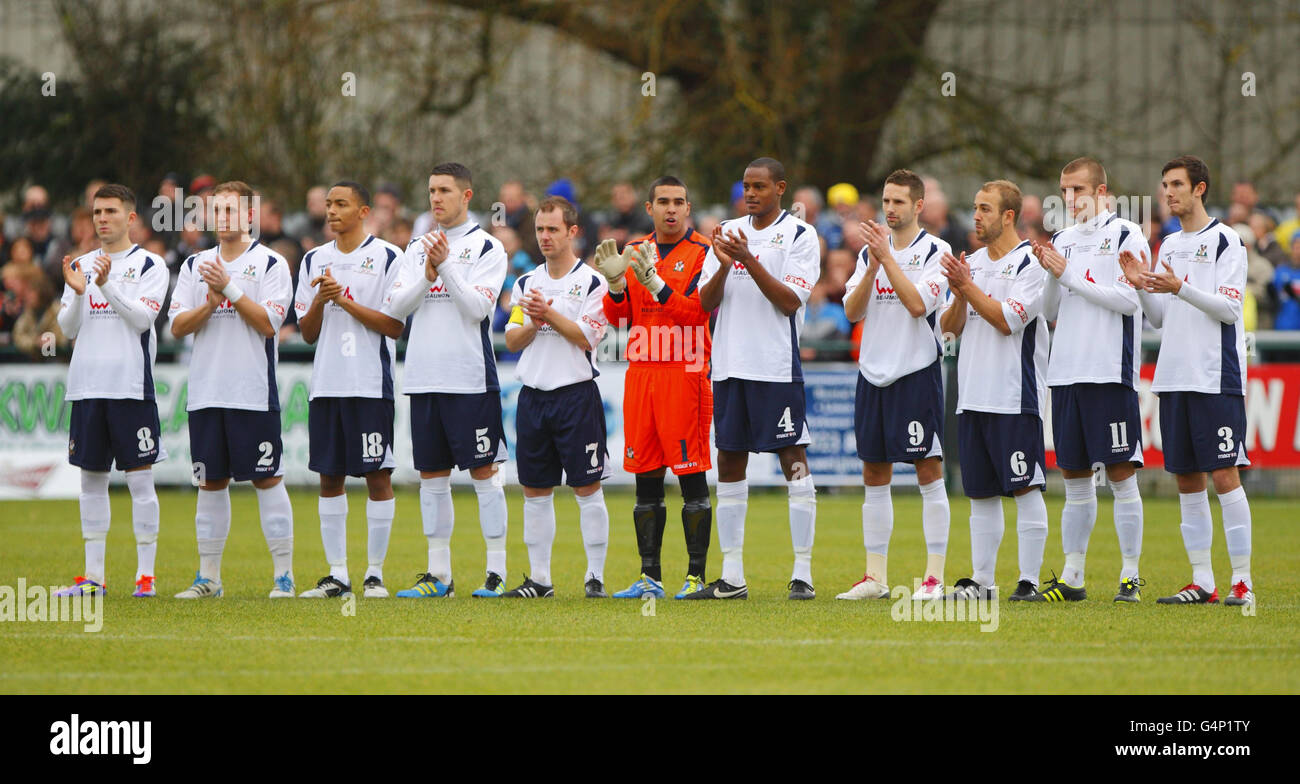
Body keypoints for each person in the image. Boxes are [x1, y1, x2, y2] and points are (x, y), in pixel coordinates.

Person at [1119, 155, 1254, 607]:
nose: (1168, 193)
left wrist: (1179, 288)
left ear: (1199, 189)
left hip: (1215, 376)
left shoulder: (1226, 241)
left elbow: (1229, 309)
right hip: (1173, 376)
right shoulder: (1170, 245)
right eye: (1164, 185)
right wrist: (1139, 283)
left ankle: (1241, 580)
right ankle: (1202, 581)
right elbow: (1159, 319)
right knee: (1186, 480)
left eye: (1177, 184)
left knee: (1224, 475)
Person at [379, 163, 511, 599]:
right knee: (431, 476)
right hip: (423, 377)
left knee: (483, 473)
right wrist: (427, 274)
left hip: (470, 378)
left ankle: (495, 572)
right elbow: (395, 307)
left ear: (467, 196)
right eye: (431, 190)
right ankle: (439, 575)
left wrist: (447, 268)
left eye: (445, 191)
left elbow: (477, 310)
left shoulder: (488, 247)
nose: (436, 198)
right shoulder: (415, 247)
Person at [692, 157, 821, 600]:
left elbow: (789, 301)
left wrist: (750, 259)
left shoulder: (800, 235)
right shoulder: (726, 232)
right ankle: (732, 577)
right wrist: (726, 262)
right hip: (729, 366)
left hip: (774, 367)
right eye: (746, 186)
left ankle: (802, 573)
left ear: (780, 188)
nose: (750, 193)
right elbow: (705, 303)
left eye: (759, 186)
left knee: (794, 461)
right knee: (729, 462)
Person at [168, 181, 296, 599]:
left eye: (230, 211)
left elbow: (268, 324)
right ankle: (209, 578)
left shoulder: (272, 263)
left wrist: (230, 288)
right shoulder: (194, 264)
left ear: (249, 216)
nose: (222, 219)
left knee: (267, 478)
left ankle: (283, 576)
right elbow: (177, 326)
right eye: (216, 211)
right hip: (206, 391)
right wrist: (208, 304)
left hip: (252, 392)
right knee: (210, 483)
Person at [1032, 157, 1149, 603]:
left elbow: (1127, 300)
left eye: (1078, 190)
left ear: (1102, 192)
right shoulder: (1062, 239)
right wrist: (1050, 271)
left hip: (1107, 372)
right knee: (1075, 479)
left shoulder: (1126, 233)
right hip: (1065, 374)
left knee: (1121, 476)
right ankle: (1073, 576)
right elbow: (1049, 310)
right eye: (1064, 190)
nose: (1070, 199)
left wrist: (1067, 274)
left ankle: (1130, 575)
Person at [594, 175, 714, 600]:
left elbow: (698, 314)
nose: (671, 209)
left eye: (679, 202)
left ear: (688, 207)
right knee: (646, 477)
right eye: (662, 201)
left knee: (690, 476)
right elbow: (618, 316)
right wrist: (615, 285)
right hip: (642, 372)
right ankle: (650, 577)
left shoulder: (704, 253)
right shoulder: (634, 250)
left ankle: (696, 576)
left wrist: (659, 286)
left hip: (684, 372)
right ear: (649, 207)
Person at [837, 169, 952, 600]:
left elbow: (919, 303)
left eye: (899, 202)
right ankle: (875, 578)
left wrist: (885, 259)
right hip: (873, 373)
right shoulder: (871, 254)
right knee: (874, 472)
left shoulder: (936, 252)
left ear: (918, 205)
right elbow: (851, 312)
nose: (889, 208)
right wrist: (872, 265)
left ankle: (934, 578)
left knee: (927, 469)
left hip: (915, 371)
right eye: (886, 200)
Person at [52, 184, 168, 599]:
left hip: (131, 386)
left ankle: (146, 576)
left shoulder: (151, 265)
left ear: (131, 218)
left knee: (140, 481)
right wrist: (82, 291)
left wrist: (106, 286)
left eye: (111, 211)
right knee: (91, 480)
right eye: (97, 211)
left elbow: (142, 321)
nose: (102, 218)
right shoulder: (80, 265)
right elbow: (66, 330)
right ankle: (93, 577)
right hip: (87, 387)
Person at [939, 179, 1050, 602]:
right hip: (973, 396)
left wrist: (967, 287)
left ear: (1008, 216)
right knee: (980, 493)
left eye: (985, 208)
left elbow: (1008, 321)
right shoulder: (973, 264)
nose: (976, 216)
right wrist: (960, 295)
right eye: (974, 207)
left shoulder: (1030, 264)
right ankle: (982, 581)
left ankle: (1029, 581)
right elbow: (949, 331)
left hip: (1013, 395)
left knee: (1024, 486)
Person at [293, 182, 405, 599]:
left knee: (378, 475)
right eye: (328, 205)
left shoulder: (387, 256)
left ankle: (374, 573)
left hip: (370, 384)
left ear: (363, 211)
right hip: (327, 384)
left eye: (341, 204)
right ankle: (337, 574)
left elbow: (395, 326)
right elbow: (306, 333)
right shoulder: (313, 260)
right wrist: (322, 301)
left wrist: (344, 300)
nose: (332, 211)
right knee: (329, 476)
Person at [502, 196, 612, 598]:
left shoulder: (592, 282)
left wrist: (548, 314)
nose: (545, 237)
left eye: (553, 229)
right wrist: (533, 319)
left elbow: (586, 336)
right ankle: (540, 579)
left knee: (587, 488)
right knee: (534, 490)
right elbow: (513, 339)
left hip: (576, 396)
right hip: (533, 397)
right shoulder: (526, 283)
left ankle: (595, 577)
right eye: (540, 230)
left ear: (572, 232)